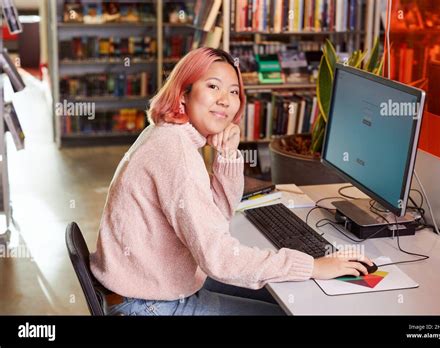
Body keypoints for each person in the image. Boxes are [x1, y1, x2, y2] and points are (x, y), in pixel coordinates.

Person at [90, 47, 373, 316]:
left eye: (234, 91)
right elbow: (220, 258)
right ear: (183, 93)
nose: (225, 99)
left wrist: (226, 155)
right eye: (213, 86)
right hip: (148, 304)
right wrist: (313, 266)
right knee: (290, 308)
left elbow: (217, 217)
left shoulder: (169, 134)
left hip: (152, 285)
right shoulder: (175, 152)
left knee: (289, 289)